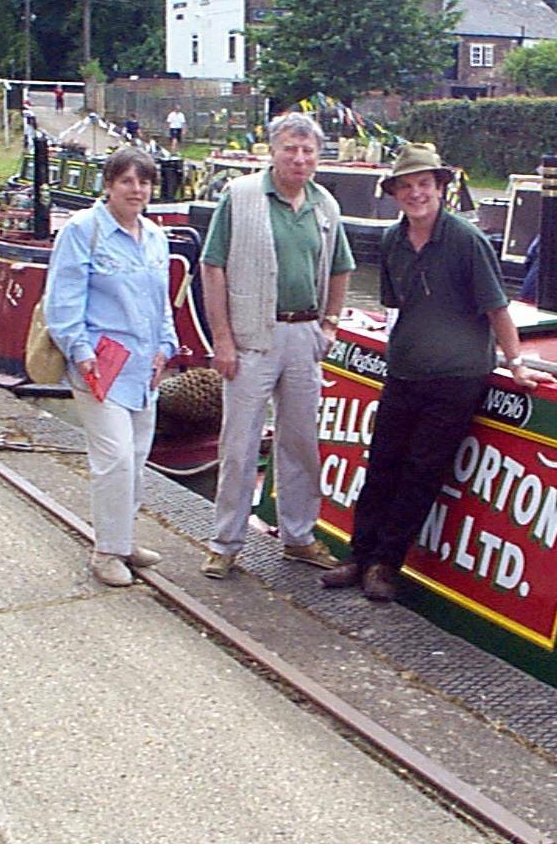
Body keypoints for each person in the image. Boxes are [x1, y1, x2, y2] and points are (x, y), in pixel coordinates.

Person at [321, 143, 552, 602]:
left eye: (424, 184)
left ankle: (386, 564)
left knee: (421, 471)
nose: (416, 194)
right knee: (382, 463)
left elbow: (497, 309)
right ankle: (359, 555)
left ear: (441, 188)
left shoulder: (467, 240)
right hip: (405, 369)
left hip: (456, 377)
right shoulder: (392, 241)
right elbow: (396, 306)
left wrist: (517, 362)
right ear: (395, 195)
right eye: (406, 187)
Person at [199, 112, 354, 579]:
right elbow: (212, 267)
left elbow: (340, 268)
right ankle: (225, 542)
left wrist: (329, 324)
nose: (300, 158)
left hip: (304, 335)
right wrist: (222, 339)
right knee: (239, 444)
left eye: (308, 151)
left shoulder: (325, 205)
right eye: (291, 148)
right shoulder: (240, 197)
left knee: (302, 442)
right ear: (272, 151)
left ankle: (298, 536)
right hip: (251, 339)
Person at [43, 147, 177, 587]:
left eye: (144, 182)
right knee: (114, 458)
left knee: (136, 459)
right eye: (127, 181)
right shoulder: (83, 232)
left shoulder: (156, 237)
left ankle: (123, 539)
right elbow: (63, 302)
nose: (137, 190)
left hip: (144, 368)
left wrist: (166, 347)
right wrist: (81, 354)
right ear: (108, 184)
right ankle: (105, 552)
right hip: (100, 366)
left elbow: (163, 303)